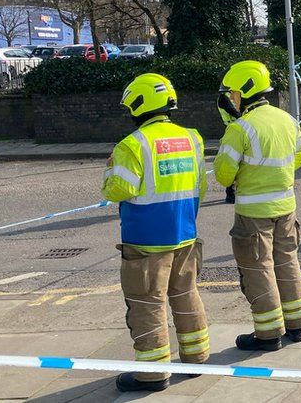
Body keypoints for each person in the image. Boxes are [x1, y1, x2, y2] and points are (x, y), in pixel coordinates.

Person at [102, 73, 209, 392]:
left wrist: (109, 171)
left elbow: (117, 188)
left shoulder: (132, 145)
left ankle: (152, 374)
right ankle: (198, 358)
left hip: (146, 242)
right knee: (186, 295)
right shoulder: (193, 138)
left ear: (139, 105)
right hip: (185, 234)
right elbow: (200, 186)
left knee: (147, 304)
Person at [214, 60, 301, 352]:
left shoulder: (240, 128)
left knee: (259, 269)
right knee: (287, 262)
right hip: (286, 206)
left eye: (233, 93)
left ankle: (268, 335)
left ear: (244, 91)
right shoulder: (287, 119)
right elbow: (300, 155)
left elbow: (223, 175)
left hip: (254, 213)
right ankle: (297, 325)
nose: (231, 98)